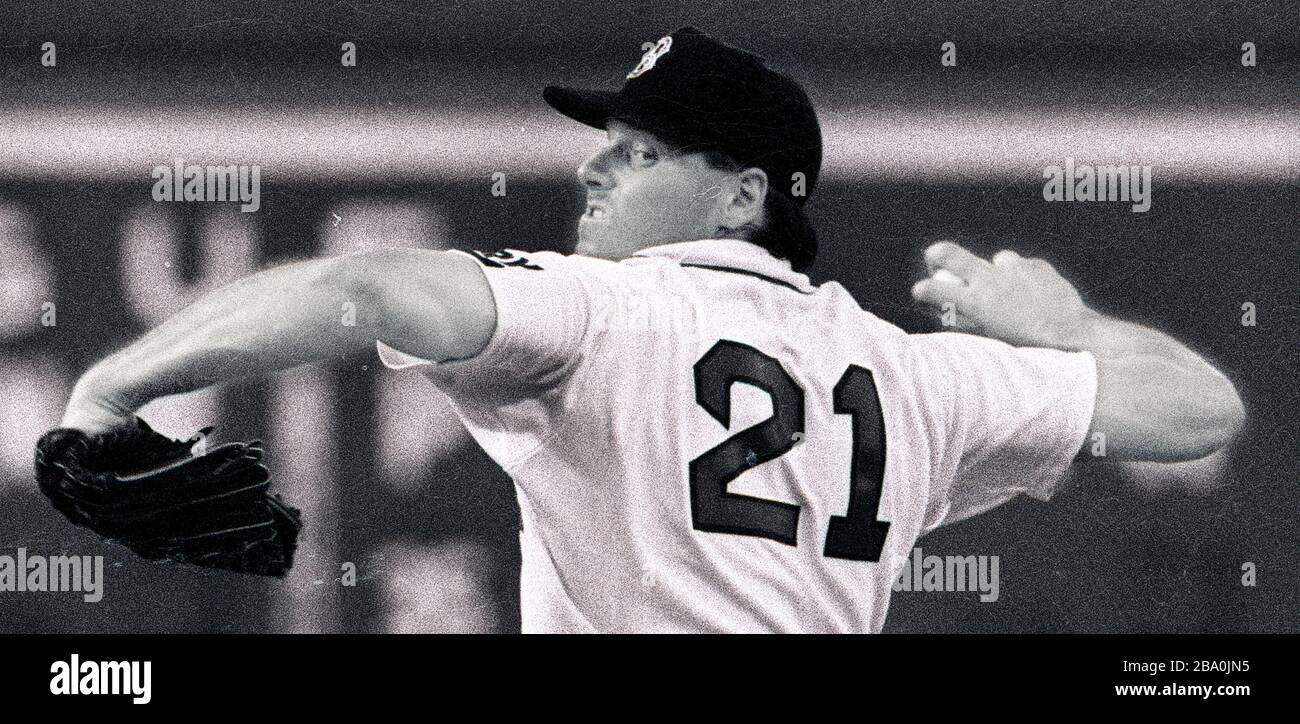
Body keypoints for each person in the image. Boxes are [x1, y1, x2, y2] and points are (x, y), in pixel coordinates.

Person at [59, 27, 1245, 632]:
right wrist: (1071, 324)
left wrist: (113, 387)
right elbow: (1198, 411)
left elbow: (360, 289)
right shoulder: (915, 375)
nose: (593, 167)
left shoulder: (605, 310)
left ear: (743, 195)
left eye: (640, 152)